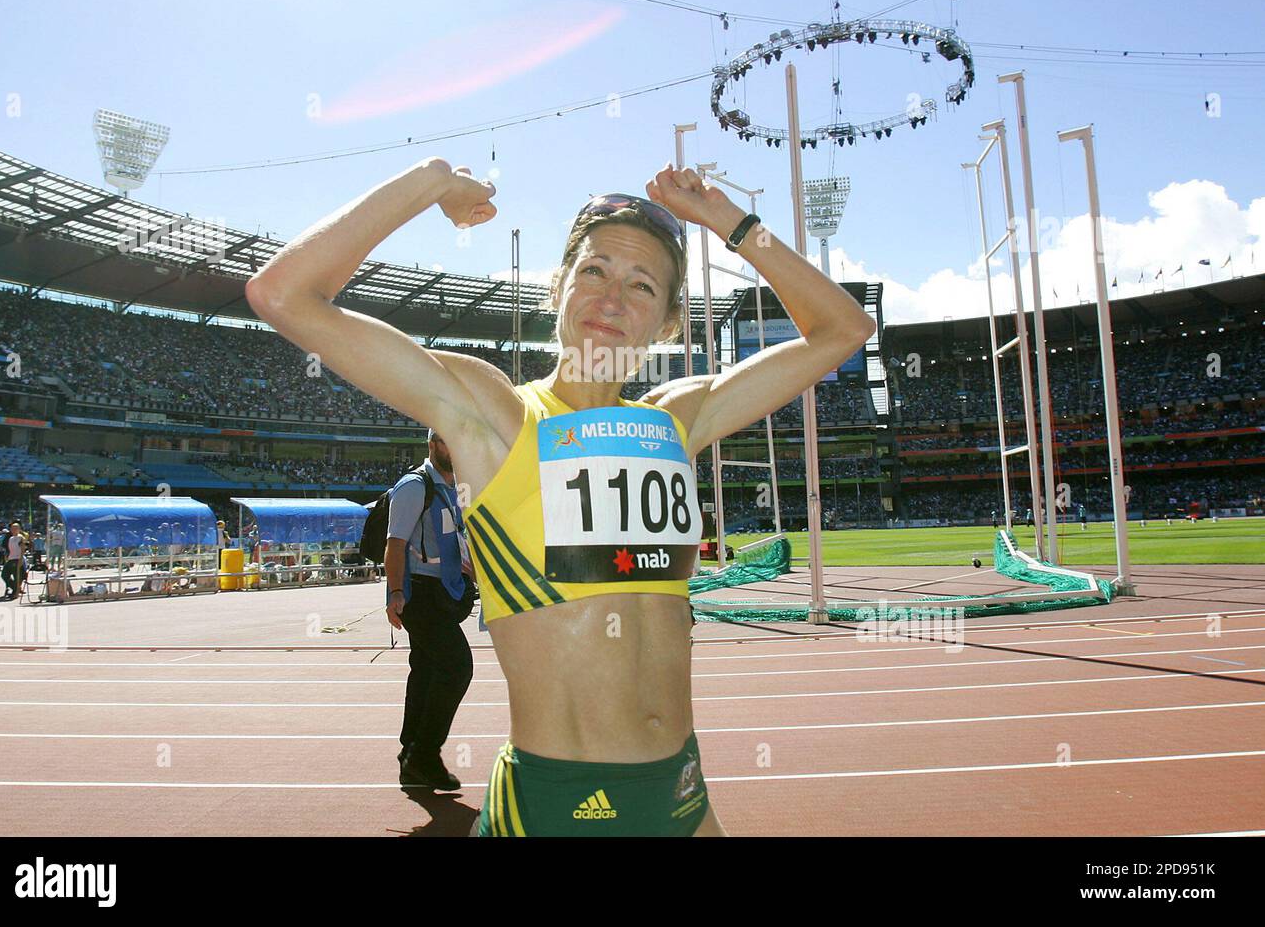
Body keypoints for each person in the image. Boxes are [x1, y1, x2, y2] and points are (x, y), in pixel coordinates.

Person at [246, 158, 875, 836]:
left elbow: (844, 330)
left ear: (667, 322)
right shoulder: (495, 417)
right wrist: (431, 183)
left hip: (681, 792)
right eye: (595, 272)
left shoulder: (676, 421)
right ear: (559, 288)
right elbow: (283, 293)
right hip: (554, 803)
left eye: (642, 286)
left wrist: (729, 222)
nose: (612, 300)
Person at [385, 428, 476, 790]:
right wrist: (394, 592)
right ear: (433, 444)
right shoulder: (414, 486)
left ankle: (411, 756)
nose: (456, 448)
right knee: (457, 667)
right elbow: (395, 544)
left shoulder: (458, 487)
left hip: (446, 591)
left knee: (424, 672)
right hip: (418, 594)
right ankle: (425, 753)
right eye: (448, 441)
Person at [0, 521, 27, 602]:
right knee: (4, 575)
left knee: (17, 576)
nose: (13, 530)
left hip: (17, 559)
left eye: (15, 528)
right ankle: (15, 588)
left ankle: (15, 592)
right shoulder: (10, 538)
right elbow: (9, 549)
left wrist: (21, 560)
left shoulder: (20, 537)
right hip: (11, 558)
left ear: (19, 529)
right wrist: (7, 557)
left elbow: (22, 549)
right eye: (12, 528)